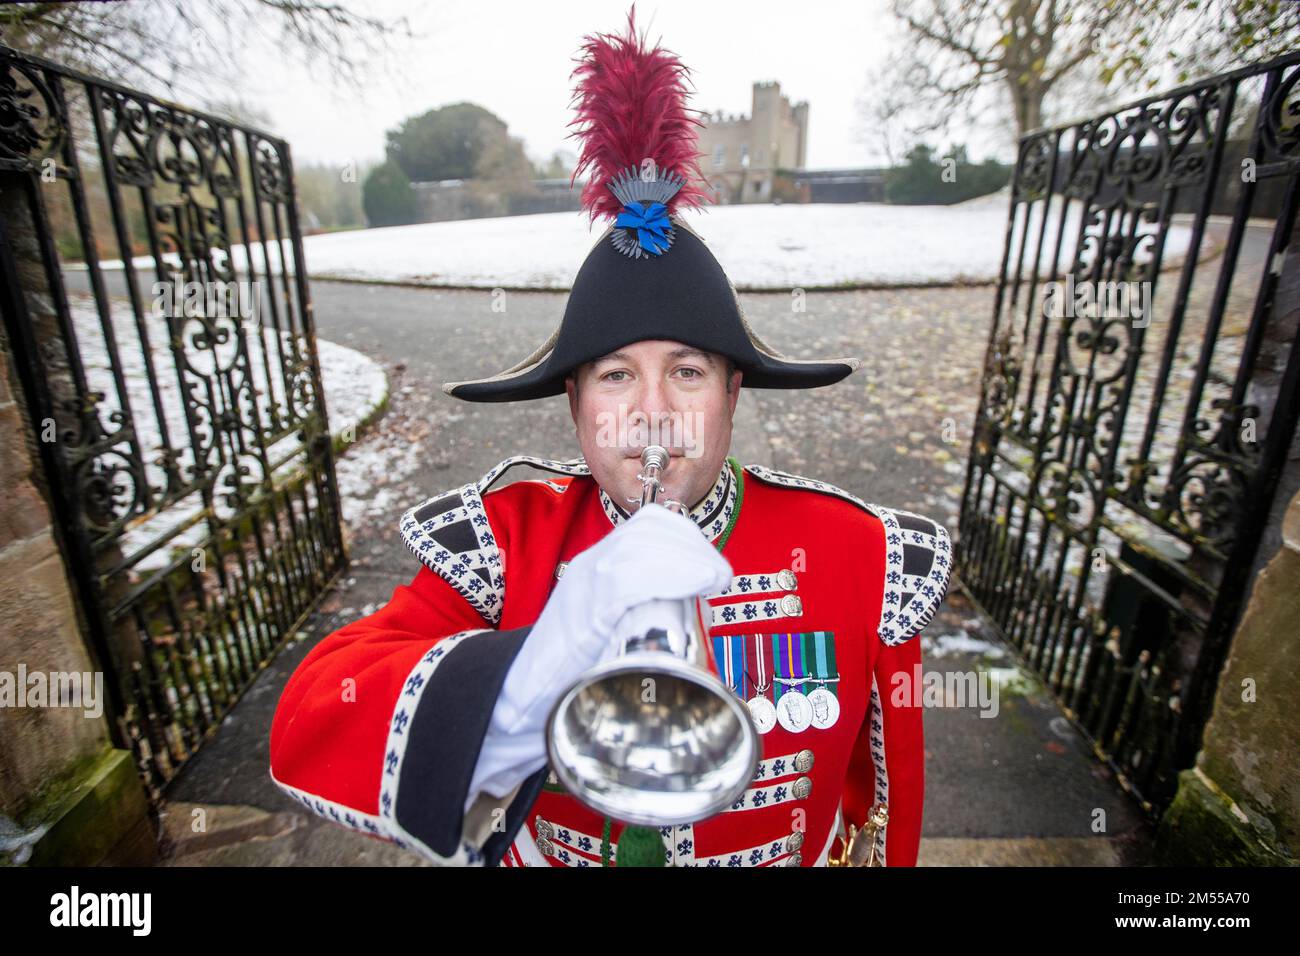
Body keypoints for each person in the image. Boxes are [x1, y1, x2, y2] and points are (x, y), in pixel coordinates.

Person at [268, 6, 951, 868]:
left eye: (689, 372)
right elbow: (307, 722)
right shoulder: (504, 541)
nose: (653, 411)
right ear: (574, 402)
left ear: (735, 394)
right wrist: (531, 668)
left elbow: (884, 808)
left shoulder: (858, 550)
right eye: (617, 375)